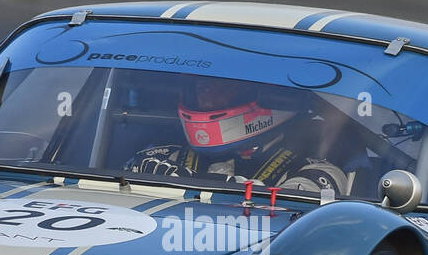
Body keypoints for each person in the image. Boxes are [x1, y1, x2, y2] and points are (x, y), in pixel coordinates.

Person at [125, 74, 351, 195]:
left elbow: (288, 211)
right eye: (201, 86)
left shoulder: (319, 171)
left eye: (224, 86)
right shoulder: (162, 158)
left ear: (270, 95)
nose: (207, 96)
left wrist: (186, 182)